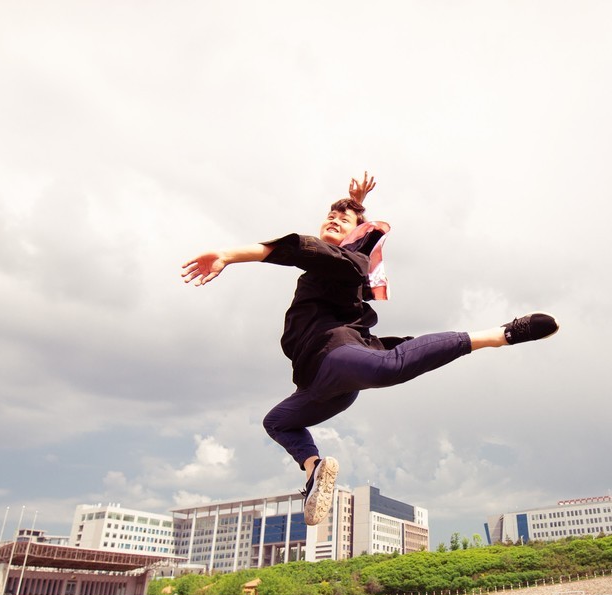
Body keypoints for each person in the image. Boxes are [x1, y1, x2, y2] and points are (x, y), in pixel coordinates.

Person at [182, 173, 559, 525]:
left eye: (341, 220)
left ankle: (500, 334)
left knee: (388, 367)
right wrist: (355, 204)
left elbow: (299, 249)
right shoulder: (337, 260)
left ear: (353, 236)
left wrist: (229, 255)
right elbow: (354, 237)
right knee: (277, 421)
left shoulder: (342, 262)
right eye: (329, 215)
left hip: (337, 356)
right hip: (319, 384)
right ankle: (314, 470)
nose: (332, 219)